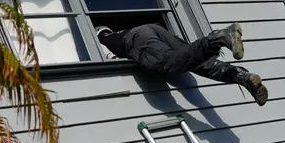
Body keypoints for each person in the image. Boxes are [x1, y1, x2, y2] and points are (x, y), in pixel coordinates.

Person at [96, 22, 269, 105]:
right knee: (195, 62)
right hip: (156, 30)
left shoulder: (102, 41)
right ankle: (240, 75)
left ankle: (218, 38)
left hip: (137, 38)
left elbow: (112, 61)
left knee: (165, 63)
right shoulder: (117, 32)